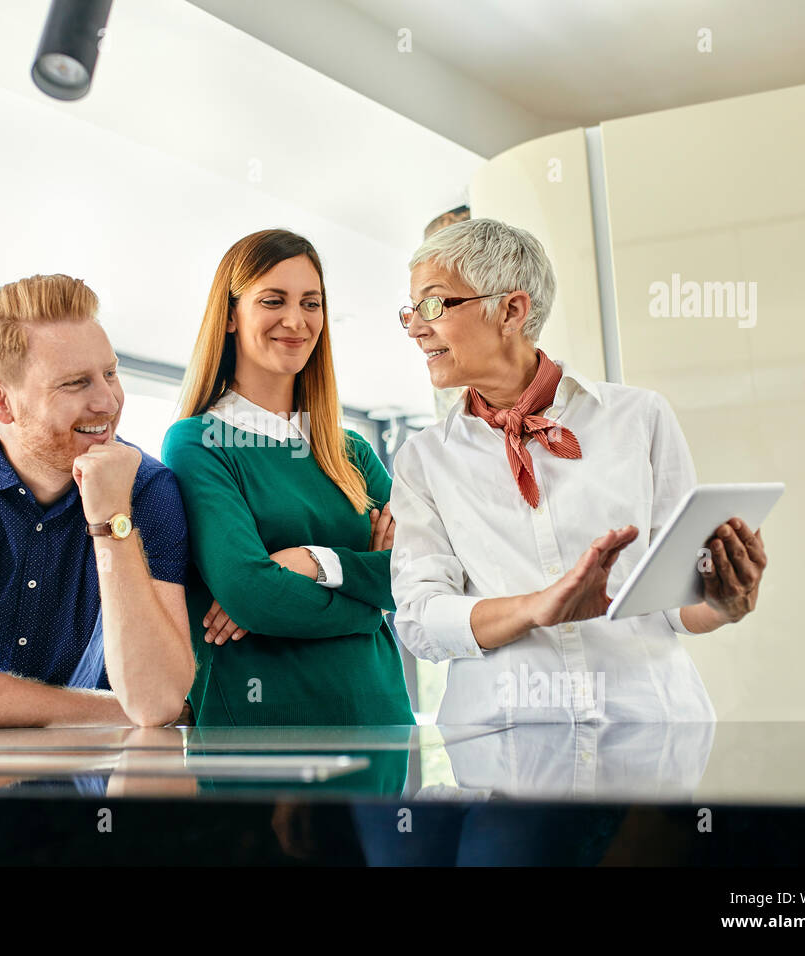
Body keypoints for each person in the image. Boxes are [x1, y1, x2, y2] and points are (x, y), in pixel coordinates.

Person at [389, 218, 769, 724]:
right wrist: (536, 607)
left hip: (649, 742)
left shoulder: (640, 418)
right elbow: (420, 621)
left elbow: (676, 605)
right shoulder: (423, 459)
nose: (416, 326)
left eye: (434, 304)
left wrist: (726, 603)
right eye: (411, 310)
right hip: (509, 753)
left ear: (511, 310)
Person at [0, 273, 194, 731]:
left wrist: (110, 520)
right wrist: (120, 712)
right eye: (75, 383)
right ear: (0, 401)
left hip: (77, 761)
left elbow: (157, 701)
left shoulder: (147, 488)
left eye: (110, 373)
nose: (108, 402)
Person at [161, 229, 414, 727]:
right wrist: (368, 605)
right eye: (273, 300)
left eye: (311, 303)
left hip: (377, 720)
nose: (296, 321)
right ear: (231, 316)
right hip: (260, 731)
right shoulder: (196, 443)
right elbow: (252, 595)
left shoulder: (352, 452)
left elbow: (417, 575)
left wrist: (310, 563)